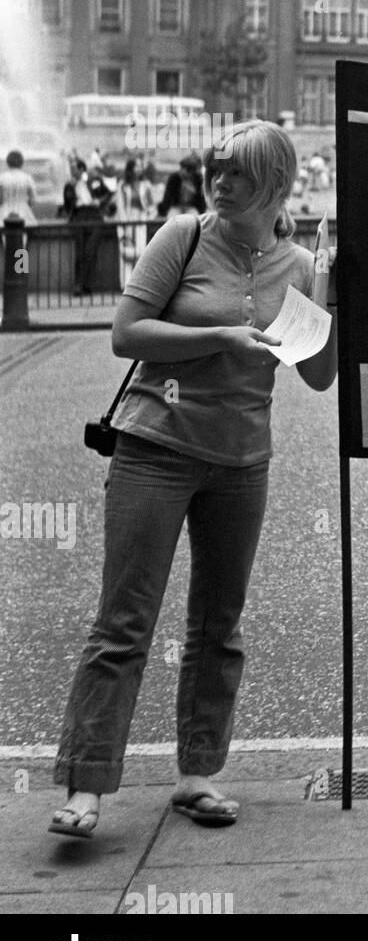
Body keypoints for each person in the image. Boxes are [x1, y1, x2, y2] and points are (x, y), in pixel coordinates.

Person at [49, 119, 338, 839]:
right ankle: (86, 785)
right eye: (217, 167)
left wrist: (331, 296)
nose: (219, 181)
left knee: (218, 626)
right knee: (124, 622)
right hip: (155, 447)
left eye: (237, 172)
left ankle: (198, 775)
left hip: (241, 461)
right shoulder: (183, 236)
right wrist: (219, 337)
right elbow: (126, 333)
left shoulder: (300, 265)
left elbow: (317, 376)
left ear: (273, 184)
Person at [61, 158, 114, 295]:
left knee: (91, 251)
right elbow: (67, 204)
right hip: (79, 216)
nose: (71, 171)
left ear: (81, 169)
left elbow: (108, 193)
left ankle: (87, 284)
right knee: (80, 252)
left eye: (74, 168)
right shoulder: (70, 185)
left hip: (94, 215)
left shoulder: (94, 180)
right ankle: (79, 284)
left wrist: (99, 202)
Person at [115, 158, 156, 286]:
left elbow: (151, 205)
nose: (139, 169)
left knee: (140, 252)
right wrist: (124, 224)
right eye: (136, 166)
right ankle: (126, 284)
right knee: (126, 253)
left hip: (141, 221)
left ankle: (138, 284)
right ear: (130, 169)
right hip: (127, 220)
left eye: (140, 166)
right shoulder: (122, 185)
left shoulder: (146, 185)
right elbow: (120, 206)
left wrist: (149, 217)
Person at [156, 153, 206, 221]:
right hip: (176, 206)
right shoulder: (174, 178)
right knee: (173, 220)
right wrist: (162, 212)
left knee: (193, 220)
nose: (183, 172)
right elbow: (167, 197)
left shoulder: (198, 180)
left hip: (191, 207)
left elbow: (201, 200)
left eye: (187, 170)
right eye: (182, 168)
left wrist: (194, 192)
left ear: (192, 171)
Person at [0, 149, 38, 224]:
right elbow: (33, 198)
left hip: (4, 211)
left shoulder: (2, 178)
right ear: (21, 163)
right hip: (24, 211)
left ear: (8, 162)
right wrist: (28, 206)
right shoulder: (27, 178)